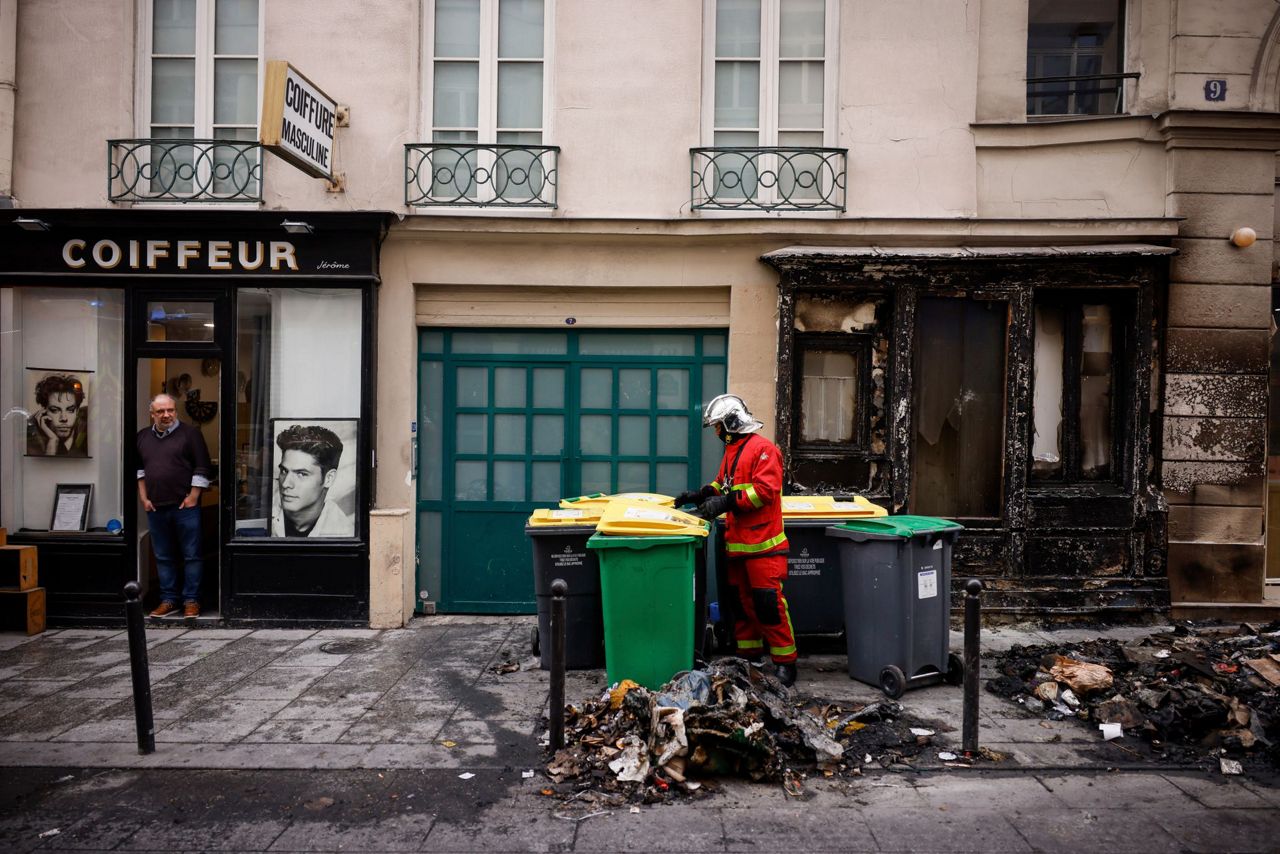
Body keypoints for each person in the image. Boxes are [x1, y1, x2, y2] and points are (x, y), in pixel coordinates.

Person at [676, 393, 797, 687]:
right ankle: (749, 659)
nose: (716, 432)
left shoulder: (764, 450)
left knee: (768, 605)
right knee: (741, 606)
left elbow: (763, 492)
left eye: (718, 426)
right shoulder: (733, 451)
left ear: (732, 422)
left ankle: (785, 663)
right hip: (738, 545)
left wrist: (725, 503)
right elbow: (723, 484)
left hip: (764, 546)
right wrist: (702, 494)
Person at [136, 393, 212, 619]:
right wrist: (144, 498)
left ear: (176, 411)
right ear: (152, 414)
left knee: (191, 555)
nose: (166, 415)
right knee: (163, 556)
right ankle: (169, 600)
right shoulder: (142, 437)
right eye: (161, 411)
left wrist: (193, 497)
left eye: (170, 410)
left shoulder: (191, 434)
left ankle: (191, 600)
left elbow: (202, 467)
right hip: (156, 507)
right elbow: (139, 471)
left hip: (185, 507)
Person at [271, 424, 354, 538]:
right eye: (284, 471)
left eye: (301, 474)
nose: (286, 484)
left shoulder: (343, 532)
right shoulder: (263, 514)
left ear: (328, 479)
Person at [26, 374, 88, 457]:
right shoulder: (30, 434)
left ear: (77, 411)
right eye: (55, 410)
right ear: (44, 411)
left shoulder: (88, 429)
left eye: (70, 410)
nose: (64, 418)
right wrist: (52, 441)